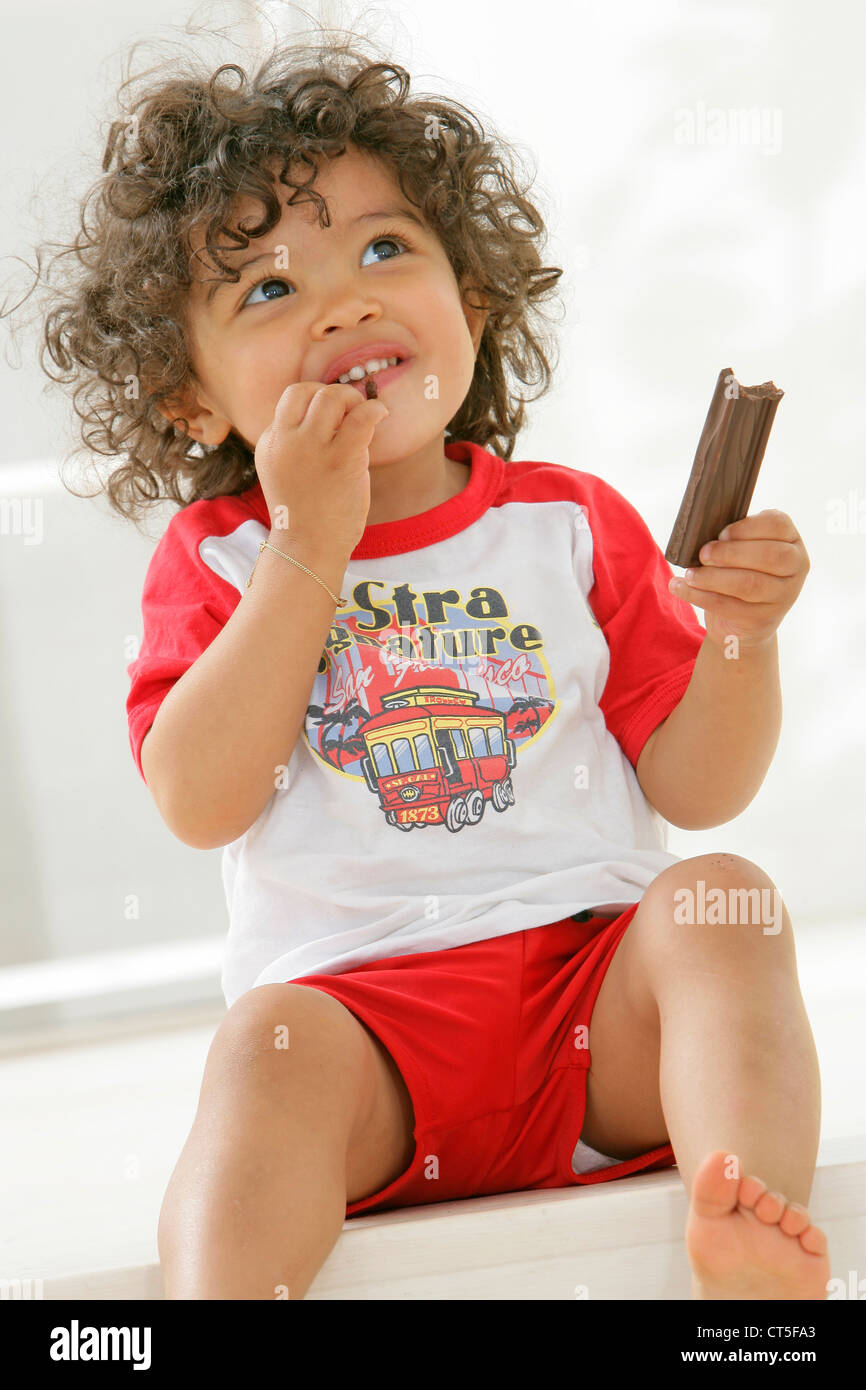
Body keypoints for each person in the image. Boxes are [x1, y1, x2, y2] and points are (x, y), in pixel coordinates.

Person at [38, 30, 827, 1300]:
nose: (343, 299)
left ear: (474, 301)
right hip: (360, 1040)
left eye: (384, 248)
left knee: (721, 903)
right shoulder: (225, 561)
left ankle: (741, 1205)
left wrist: (739, 634)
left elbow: (699, 784)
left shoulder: (567, 526)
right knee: (259, 1050)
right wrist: (310, 549)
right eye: (267, 290)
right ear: (190, 402)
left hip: (593, 1010)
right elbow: (199, 798)